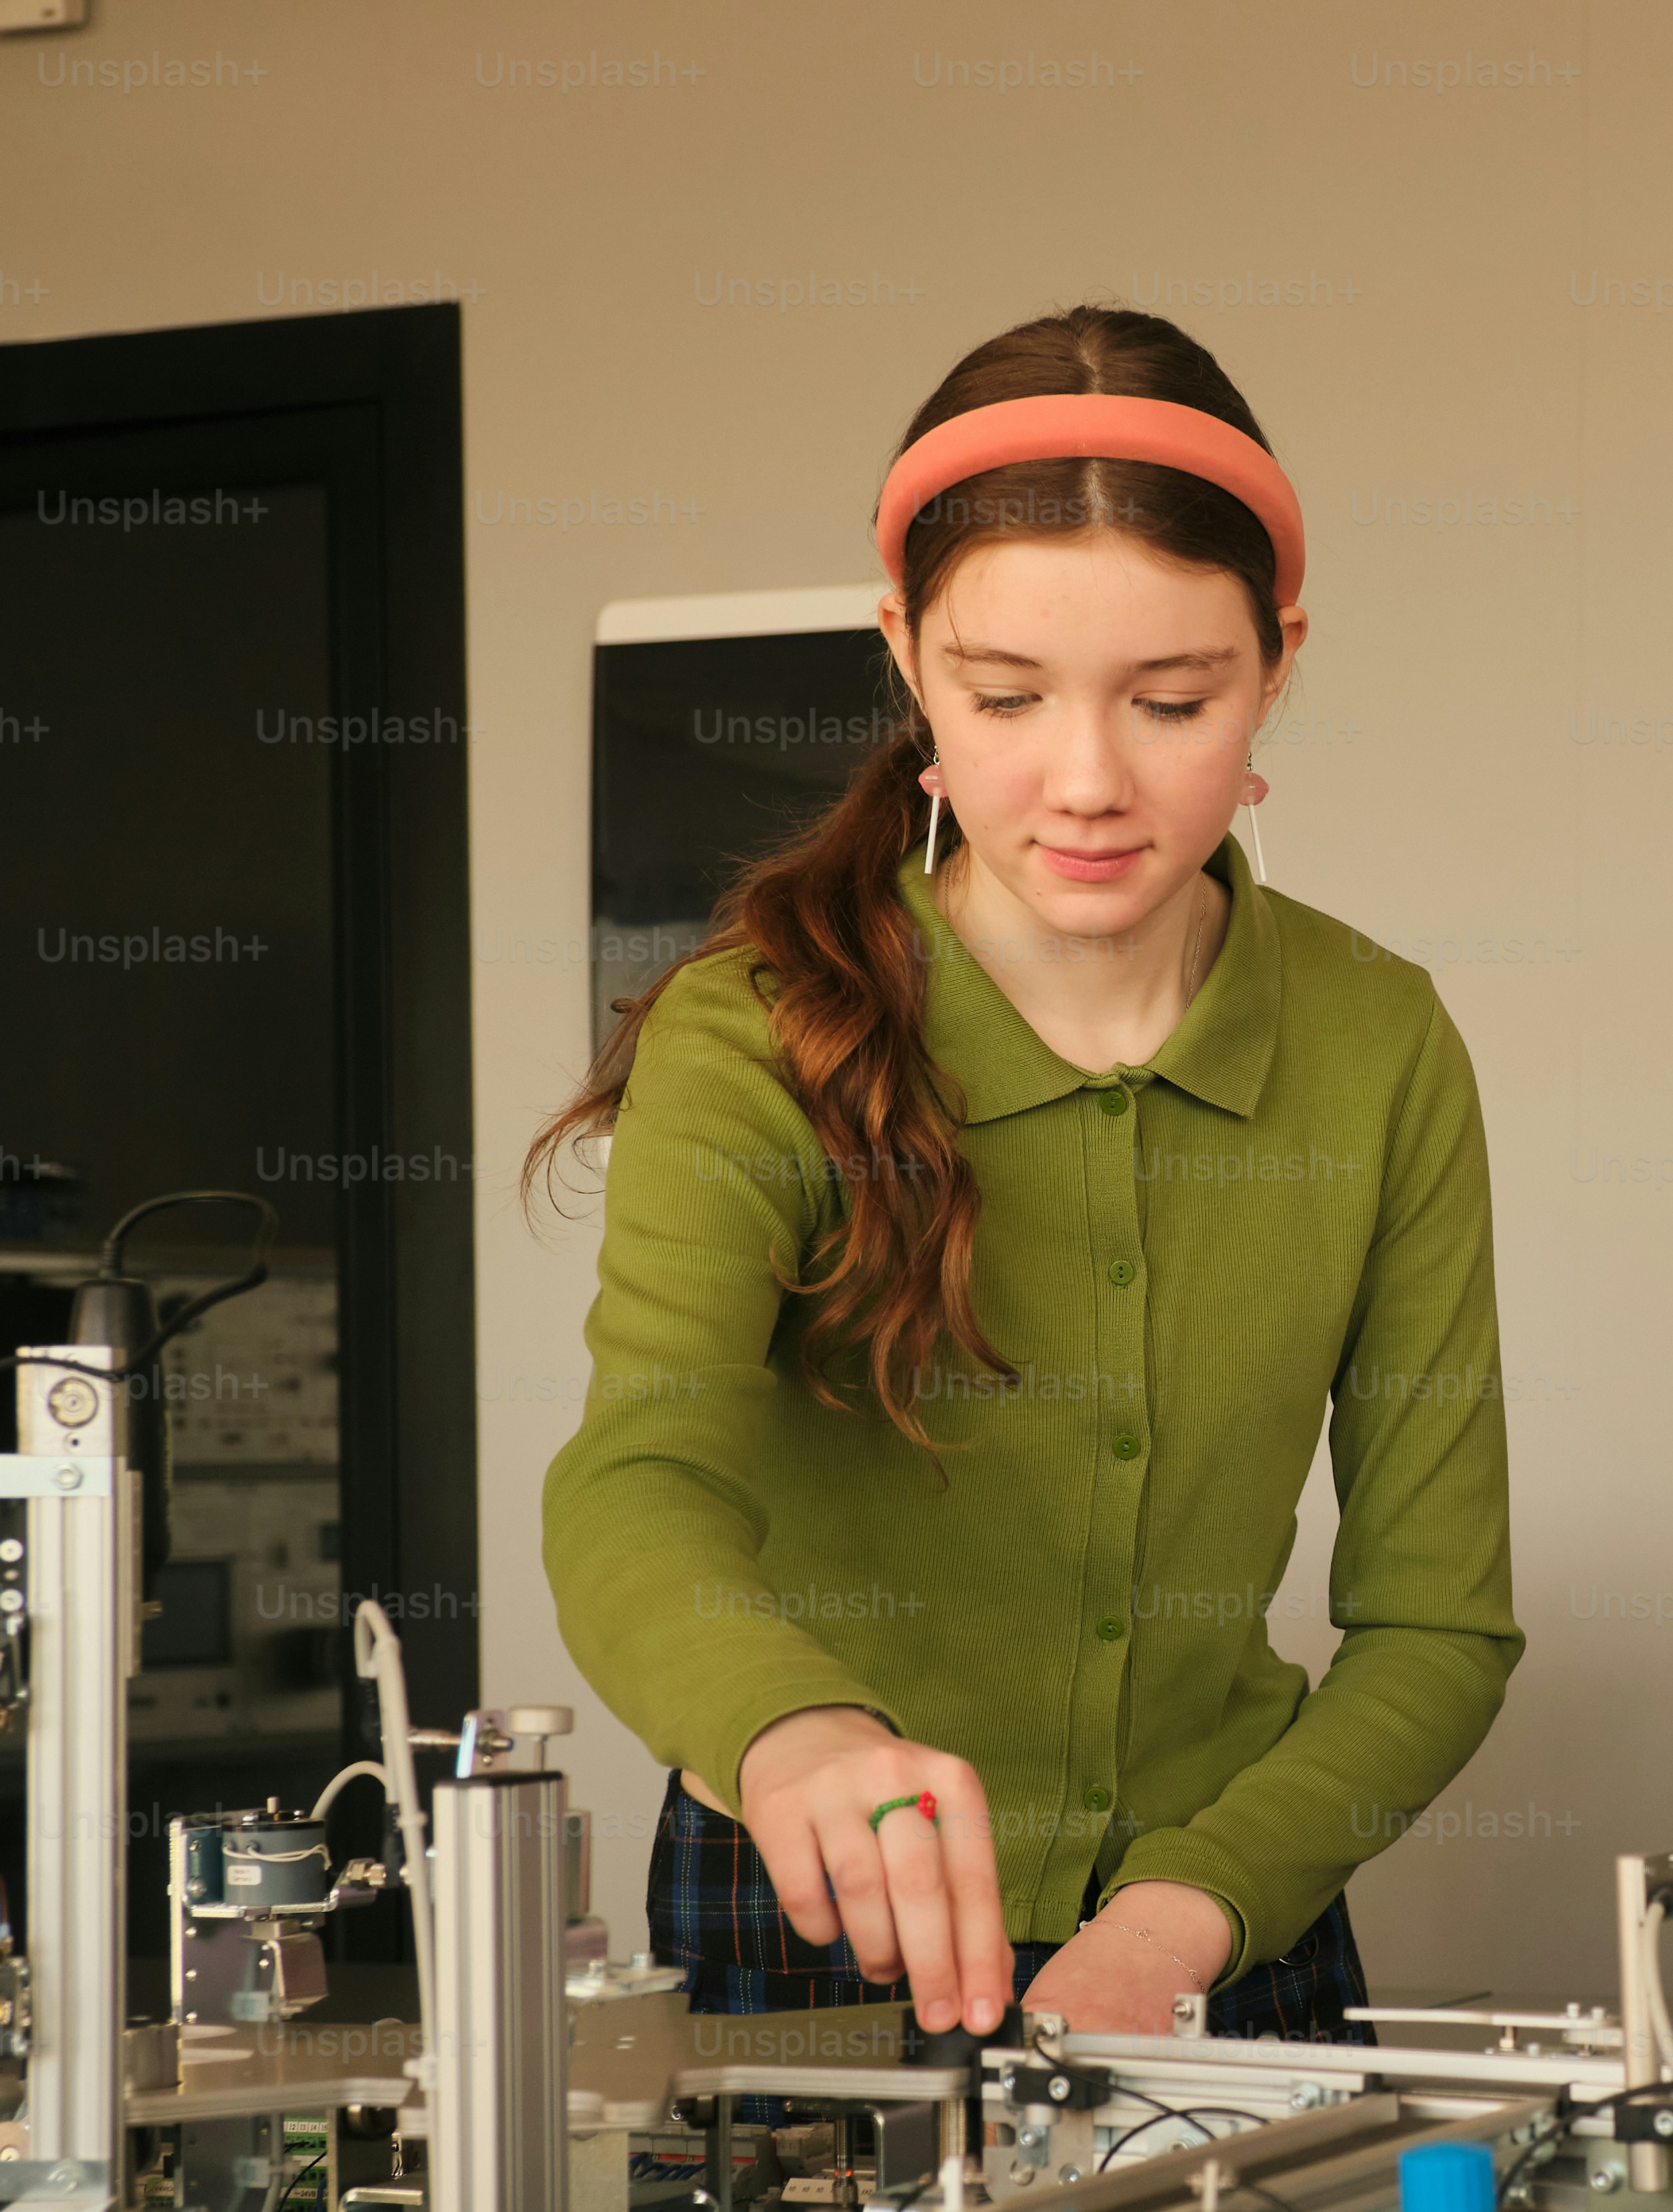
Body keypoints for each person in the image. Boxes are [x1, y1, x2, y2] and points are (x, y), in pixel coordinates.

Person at [536, 307, 1519, 2043]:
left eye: (1174, 700)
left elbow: (1438, 1623)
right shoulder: (751, 1035)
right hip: (808, 1913)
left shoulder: (1382, 1046)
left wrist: (1199, 1906)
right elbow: (635, 1486)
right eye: (1005, 697)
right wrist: (795, 1732)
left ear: (1278, 661)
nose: (1087, 782)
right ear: (905, 655)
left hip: (1232, 1916)